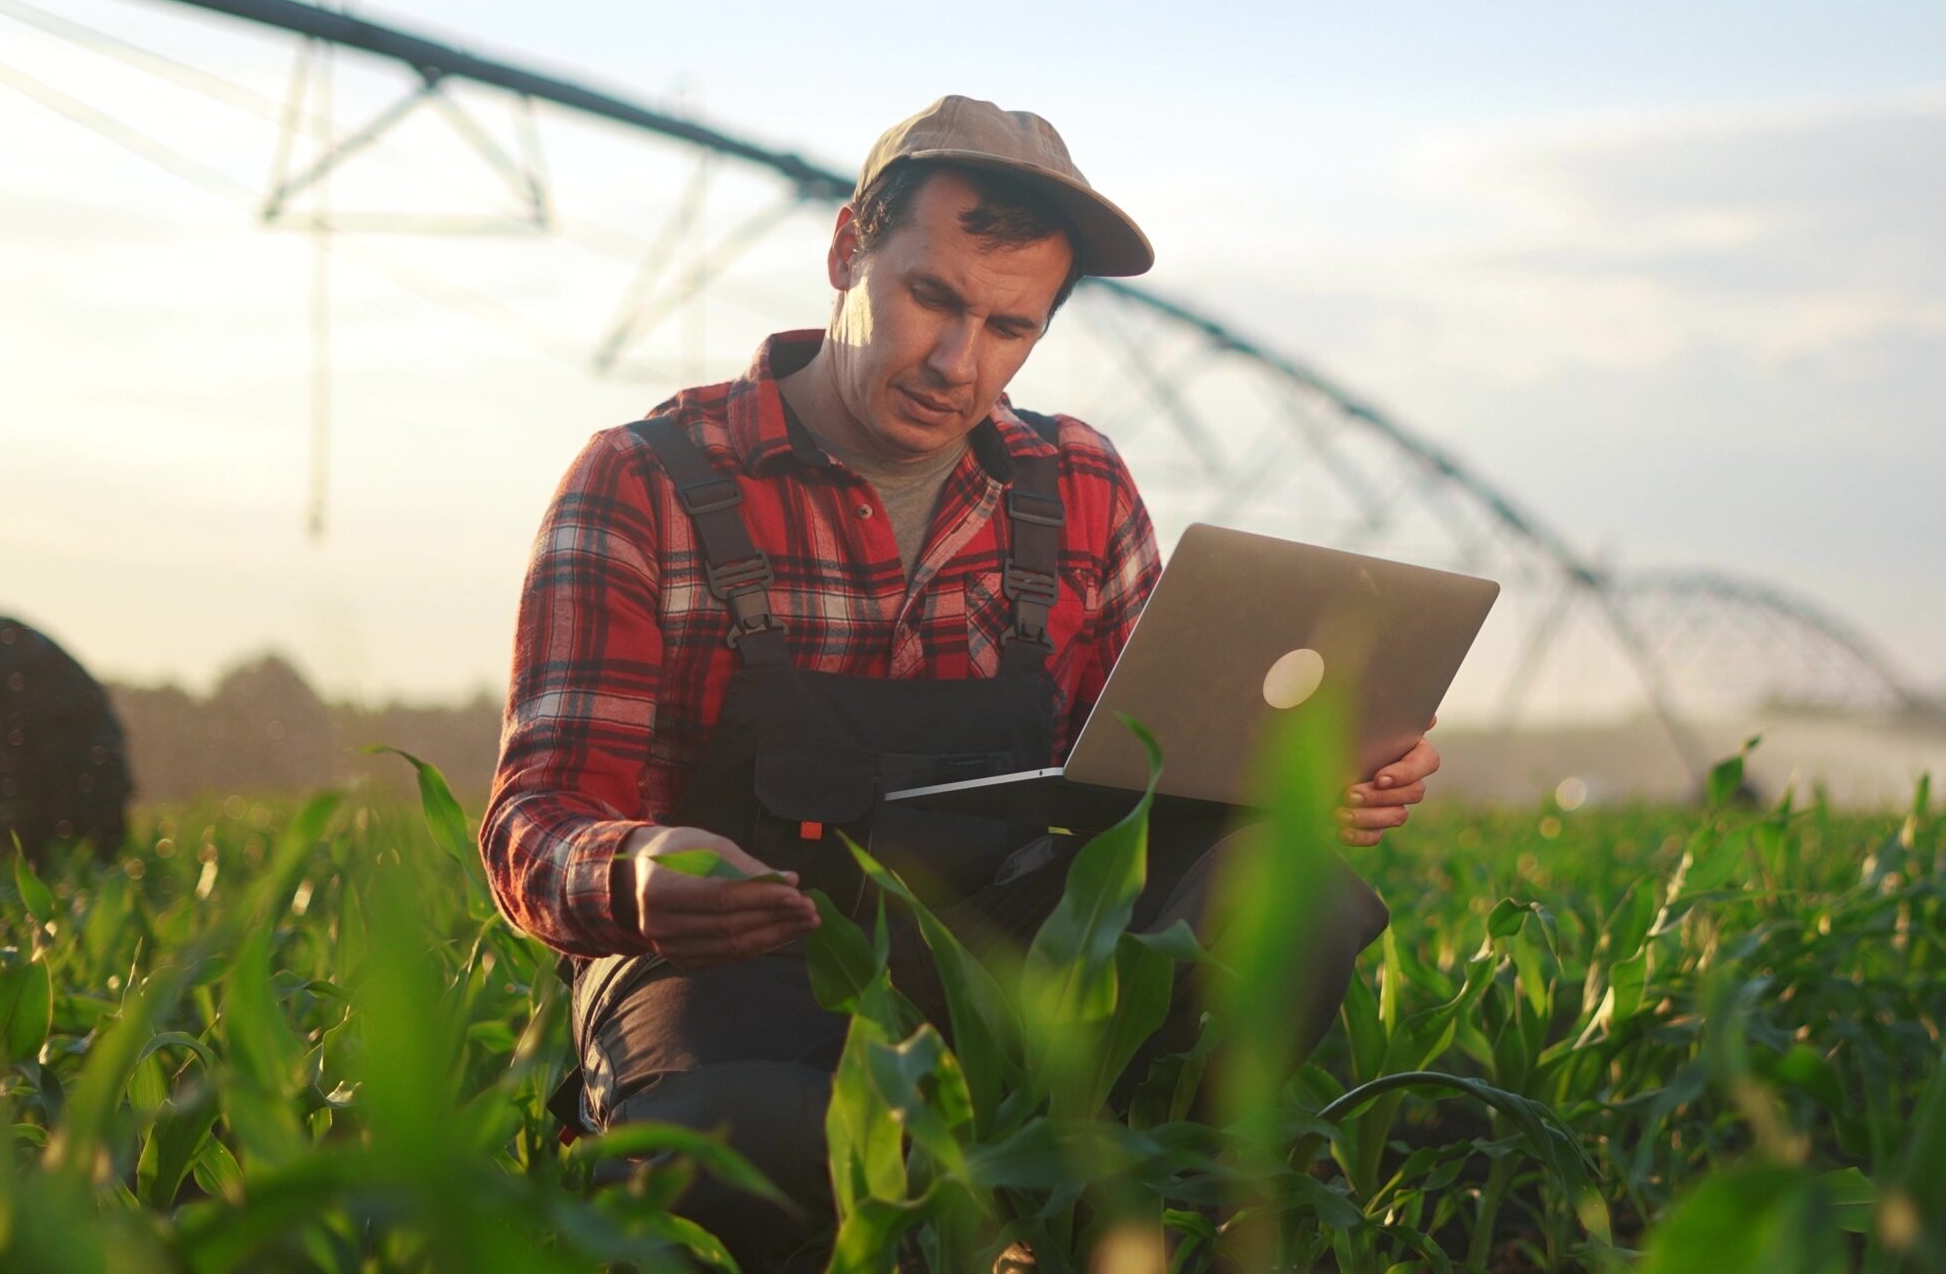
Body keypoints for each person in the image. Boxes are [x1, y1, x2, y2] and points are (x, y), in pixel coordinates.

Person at [479, 95, 1440, 1267]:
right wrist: (635, 875)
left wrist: (1298, 782)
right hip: (731, 970)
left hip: (996, 947)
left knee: (1291, 893)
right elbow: (538, 818)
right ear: (847, 249)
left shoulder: (1077, 486)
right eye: (930, 299)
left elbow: (1150, 787)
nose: (956, 362)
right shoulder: (647, 483)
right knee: (743, 1139)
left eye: (1008, 327)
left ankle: (1103, 1211)